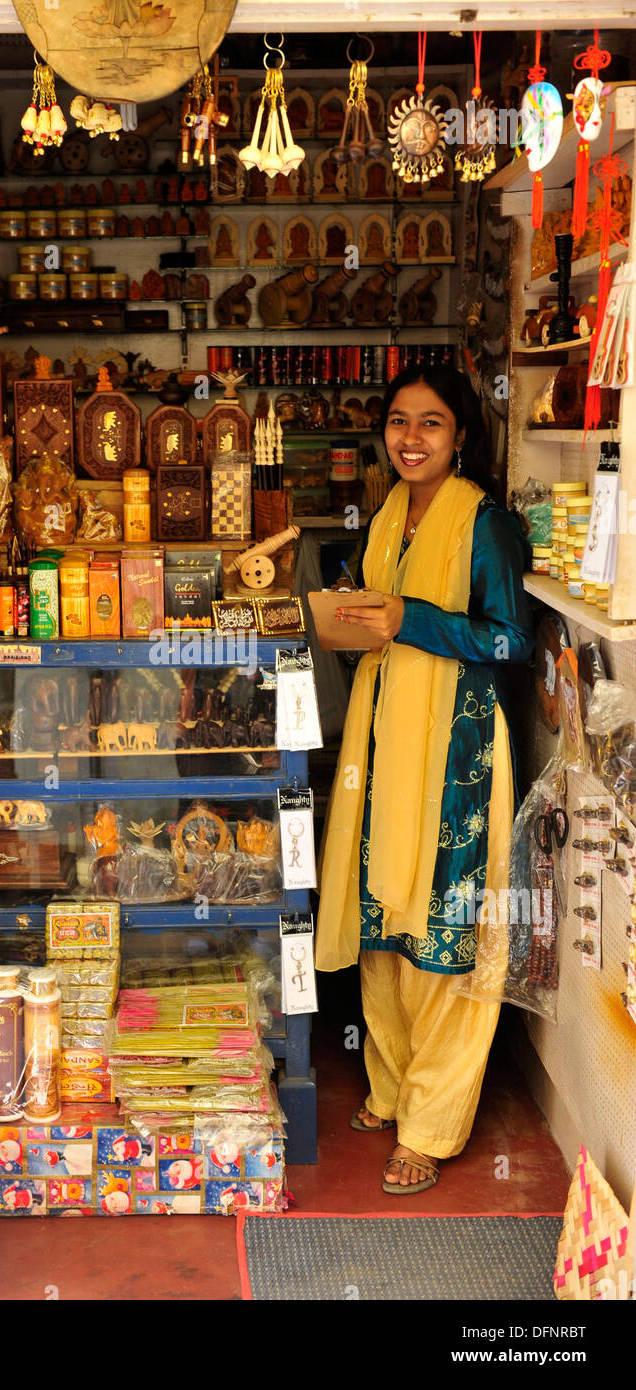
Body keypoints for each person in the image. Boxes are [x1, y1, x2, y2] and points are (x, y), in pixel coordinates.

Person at [315, 365, 533, 1195]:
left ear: (461, 435)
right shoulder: (386, 513)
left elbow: (510, 638)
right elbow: (383, 612)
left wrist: (411, 620)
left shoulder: (486, 524)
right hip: (383, 739)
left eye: (431, 424)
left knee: (442, 926)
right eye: (399, 422)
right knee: (382, 910)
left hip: (454, 749)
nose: (410, 438)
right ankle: (390, 1083)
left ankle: (432, 1123)